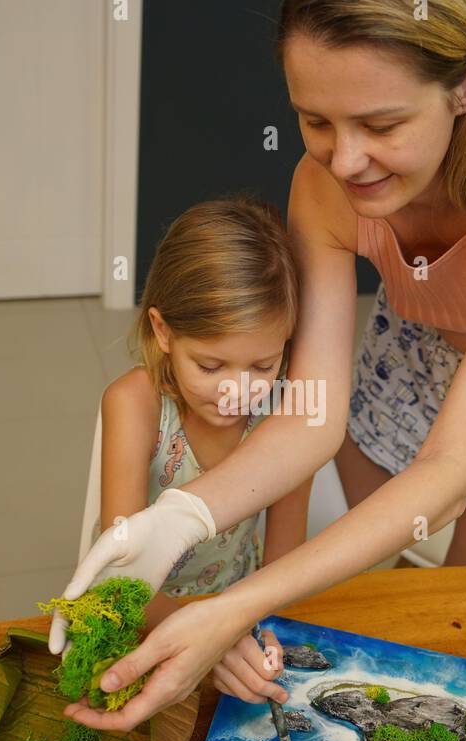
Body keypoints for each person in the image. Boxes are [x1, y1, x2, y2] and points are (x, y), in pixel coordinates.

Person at [57, 0, 466, 730]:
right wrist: (182, 515)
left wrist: (236, 605)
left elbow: (447, 472)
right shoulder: (326, 185)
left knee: (462, 609)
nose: (345, 159)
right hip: (416, 341)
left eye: (382, 124)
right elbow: (312, 415)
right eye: (315, 120)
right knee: (392, 556)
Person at [49, 198, 312, 688]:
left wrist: (244, 628)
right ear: (163, 330)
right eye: (211, 367)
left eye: (263, 365)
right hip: (141, 622)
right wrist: (212, 639)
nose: (240, 390)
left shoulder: (289, 416)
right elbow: (125, 584)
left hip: (239, 614)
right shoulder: (136, 404)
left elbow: (284, 564)